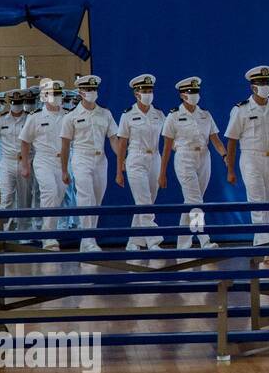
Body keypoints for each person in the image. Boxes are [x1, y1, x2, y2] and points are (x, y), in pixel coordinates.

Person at [224, 65, 269, 257]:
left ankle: (260, 241)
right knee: (257, 199)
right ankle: (265, 244)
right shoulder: (241, 110)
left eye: (267, 82)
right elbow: (232, 140)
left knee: (268, 201)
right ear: (252, 87)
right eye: (261, 83)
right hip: (251, 157)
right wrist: (230, 170)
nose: (265, 86)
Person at [159, 77, 226, 250]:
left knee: (192, 202)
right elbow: (166, 146)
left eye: (196, 92)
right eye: (190, 93)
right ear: (182, 95)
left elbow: (215, 139)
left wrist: (225, 156)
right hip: (184, 158)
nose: (194, 95)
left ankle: (183, 243)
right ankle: (205, 240)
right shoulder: (173, 116)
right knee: (196, 201)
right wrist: (162, 172)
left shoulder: (205, 115)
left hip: (204, 158)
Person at [58, 74, 117, 253]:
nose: (92, 92)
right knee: (86, 198)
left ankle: (88, 240)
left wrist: (123, 158)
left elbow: (114, 139)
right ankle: (89, 240)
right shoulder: (71, 117)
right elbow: (65, 145)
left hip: (101, 160)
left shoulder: (105, 113)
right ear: (81, 92)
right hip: (81, 159)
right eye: (88, 90)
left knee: (97, 201)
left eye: (94, 89)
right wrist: (64, 171)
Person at [115, 74, 167, 251]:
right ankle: (153, 241)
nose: (148, 94)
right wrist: (119, 170)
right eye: (145, 91)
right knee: (144, 201)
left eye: (150, 90)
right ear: (136, 93)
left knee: (147, 201)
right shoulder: (128, 115)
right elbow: (122, 143)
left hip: (155, 158)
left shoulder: (159, 114)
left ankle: (134, 241)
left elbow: (169, 137)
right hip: (135, 159)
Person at [19, 79, 69, 250]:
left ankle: (50, 230)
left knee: (58, 197)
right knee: (50, 192)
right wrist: (25, 165)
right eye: (52, 94)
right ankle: (48, 237)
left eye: (58, 94)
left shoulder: (68, 115)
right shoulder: (36, 117)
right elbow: (25, 142)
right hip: (43, 160)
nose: (56, 97)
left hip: (62, 161)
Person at [0, 90, 33, 232]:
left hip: (25, 161)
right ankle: (4, 231)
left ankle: (24, 232)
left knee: (25, 199)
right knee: (6, 198)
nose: (16, 106)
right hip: (7, 162)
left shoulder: (30, 119)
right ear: (10, 103)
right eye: (13, 103)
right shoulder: (1, 120)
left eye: (19, 103)